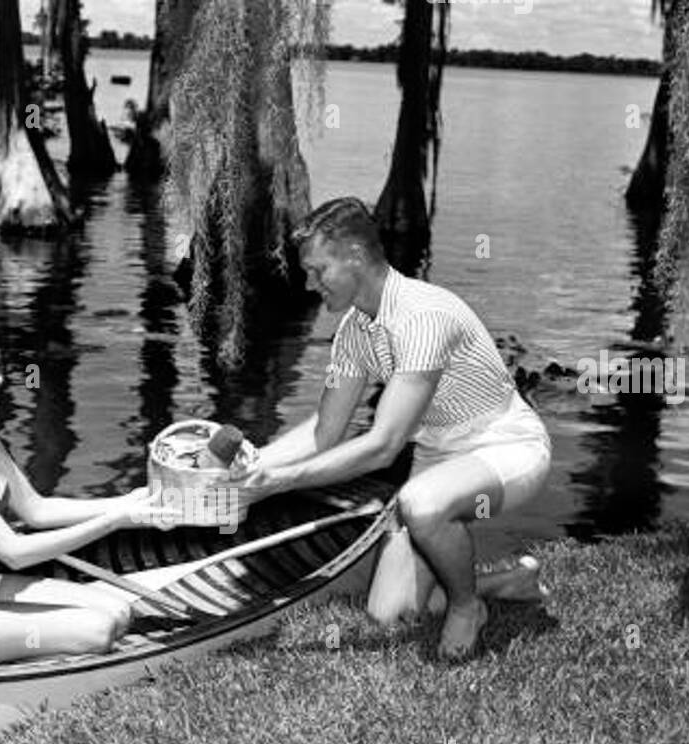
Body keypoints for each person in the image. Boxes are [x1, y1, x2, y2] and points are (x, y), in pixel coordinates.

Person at [232, 198, 552, 660]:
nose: (309, 283)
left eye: (318, 270)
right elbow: (325, 430)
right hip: (438, 456)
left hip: (505, 448)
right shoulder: (355, 331)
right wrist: (254, 465)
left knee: (421, 504)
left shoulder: (424, 317)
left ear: (357, 258)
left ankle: (467, 607)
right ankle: (510, 580)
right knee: (390, 614)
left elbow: (383, 446)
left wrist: (277, 484)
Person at [0, 319, 177, 665]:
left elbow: (36, 510)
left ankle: (18, 654)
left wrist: (127, 500)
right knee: (98, 629)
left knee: (119, 612)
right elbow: (14, 552)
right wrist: (115, 521)